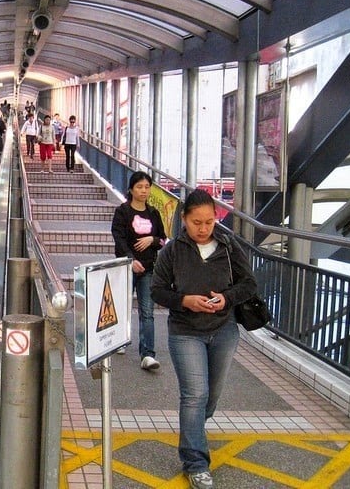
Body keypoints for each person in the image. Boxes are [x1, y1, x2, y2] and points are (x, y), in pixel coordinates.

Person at [151, 189, 256, 489]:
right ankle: (196, 462)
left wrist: (226, 298)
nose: (203, 228)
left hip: (224, 330)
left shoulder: (227, 245)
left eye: (209, 221)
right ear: (184, 219)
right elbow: (157, 290)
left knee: (209, 398)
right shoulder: (172, 251)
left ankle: (193, 427)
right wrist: (185, 300)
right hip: (186, 332)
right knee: (195, 395)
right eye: (196, 222)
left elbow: (249, 283)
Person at [111, 171, 167, 369]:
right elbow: (119, 238)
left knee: (147, 311)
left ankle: (148, 354)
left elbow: (162, 239)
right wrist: (131, 259)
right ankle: (119, 340)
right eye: (139, 187)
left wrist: (151, 239)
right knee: (122, 305)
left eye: (146, 187)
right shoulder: (123, 212)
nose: (144, 191)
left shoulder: (153, 213)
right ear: (131, 189)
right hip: (127, 266)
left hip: (149, 268)